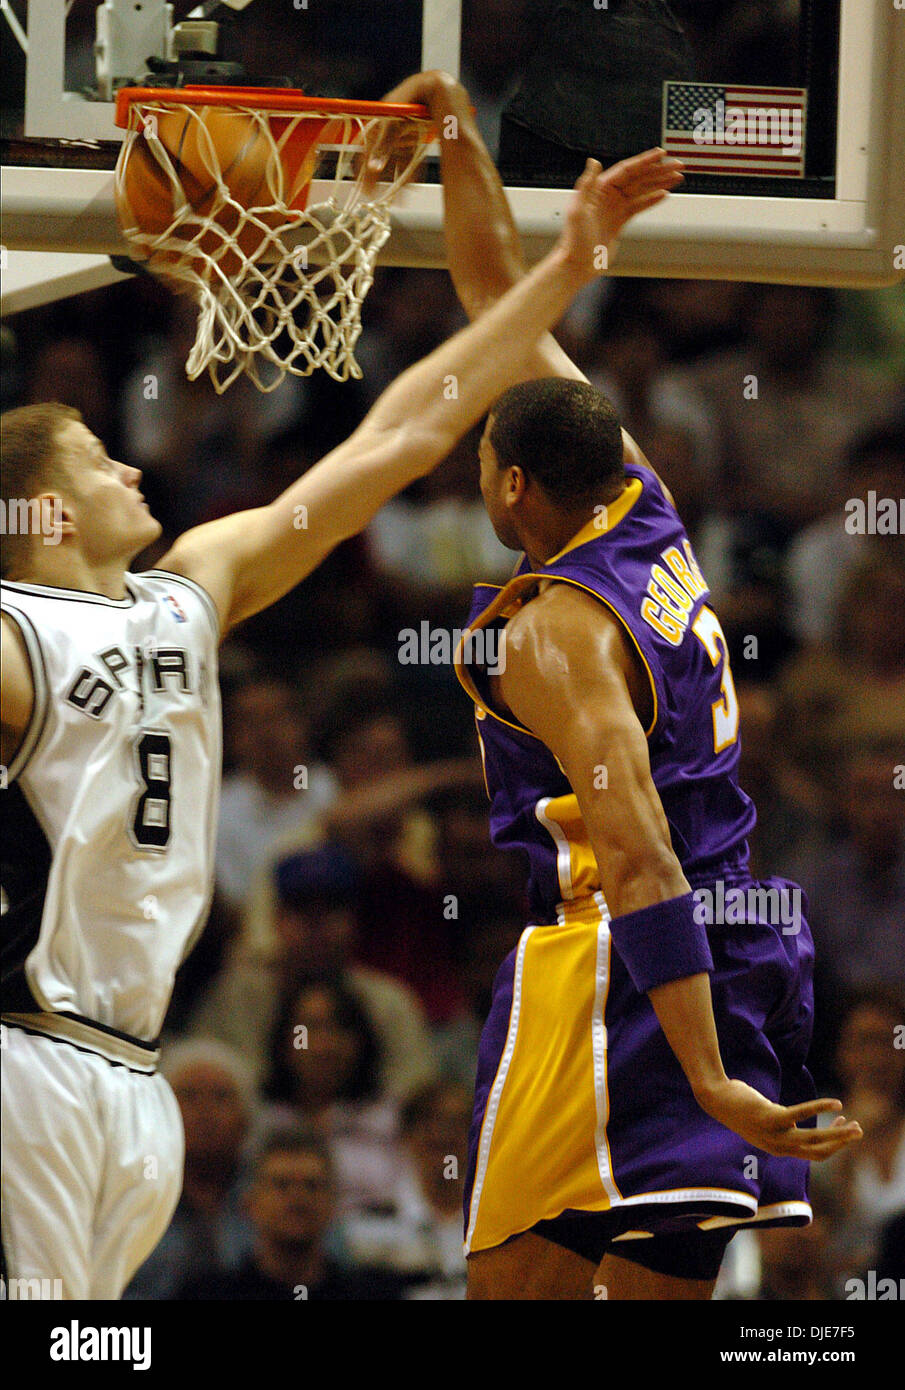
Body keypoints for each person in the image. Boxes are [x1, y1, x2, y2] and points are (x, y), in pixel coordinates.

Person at [0, 118, 681, 1298]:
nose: (134, 471)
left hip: (136, 1078)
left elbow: (406, 427)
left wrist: (563, 270)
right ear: (46, 517)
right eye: (102, 462)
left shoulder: (193, 588)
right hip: (31, 1057)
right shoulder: (11, 634)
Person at [373, 70, 863, 1301]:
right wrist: (450, 129)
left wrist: (701, 1075)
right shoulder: (642, 505)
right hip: (738, 935)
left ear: (508, 490)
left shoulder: (555, 631)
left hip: (623, 961)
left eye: (482, 455)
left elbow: (637, 851)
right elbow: (494, 295)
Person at [177, 1123, 407, 1301]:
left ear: (334, 1205)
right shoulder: (206, 1294)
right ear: (249, 1204)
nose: (298, 1198)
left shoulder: (373, 1295)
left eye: (311, 1185)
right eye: (281, 1185)